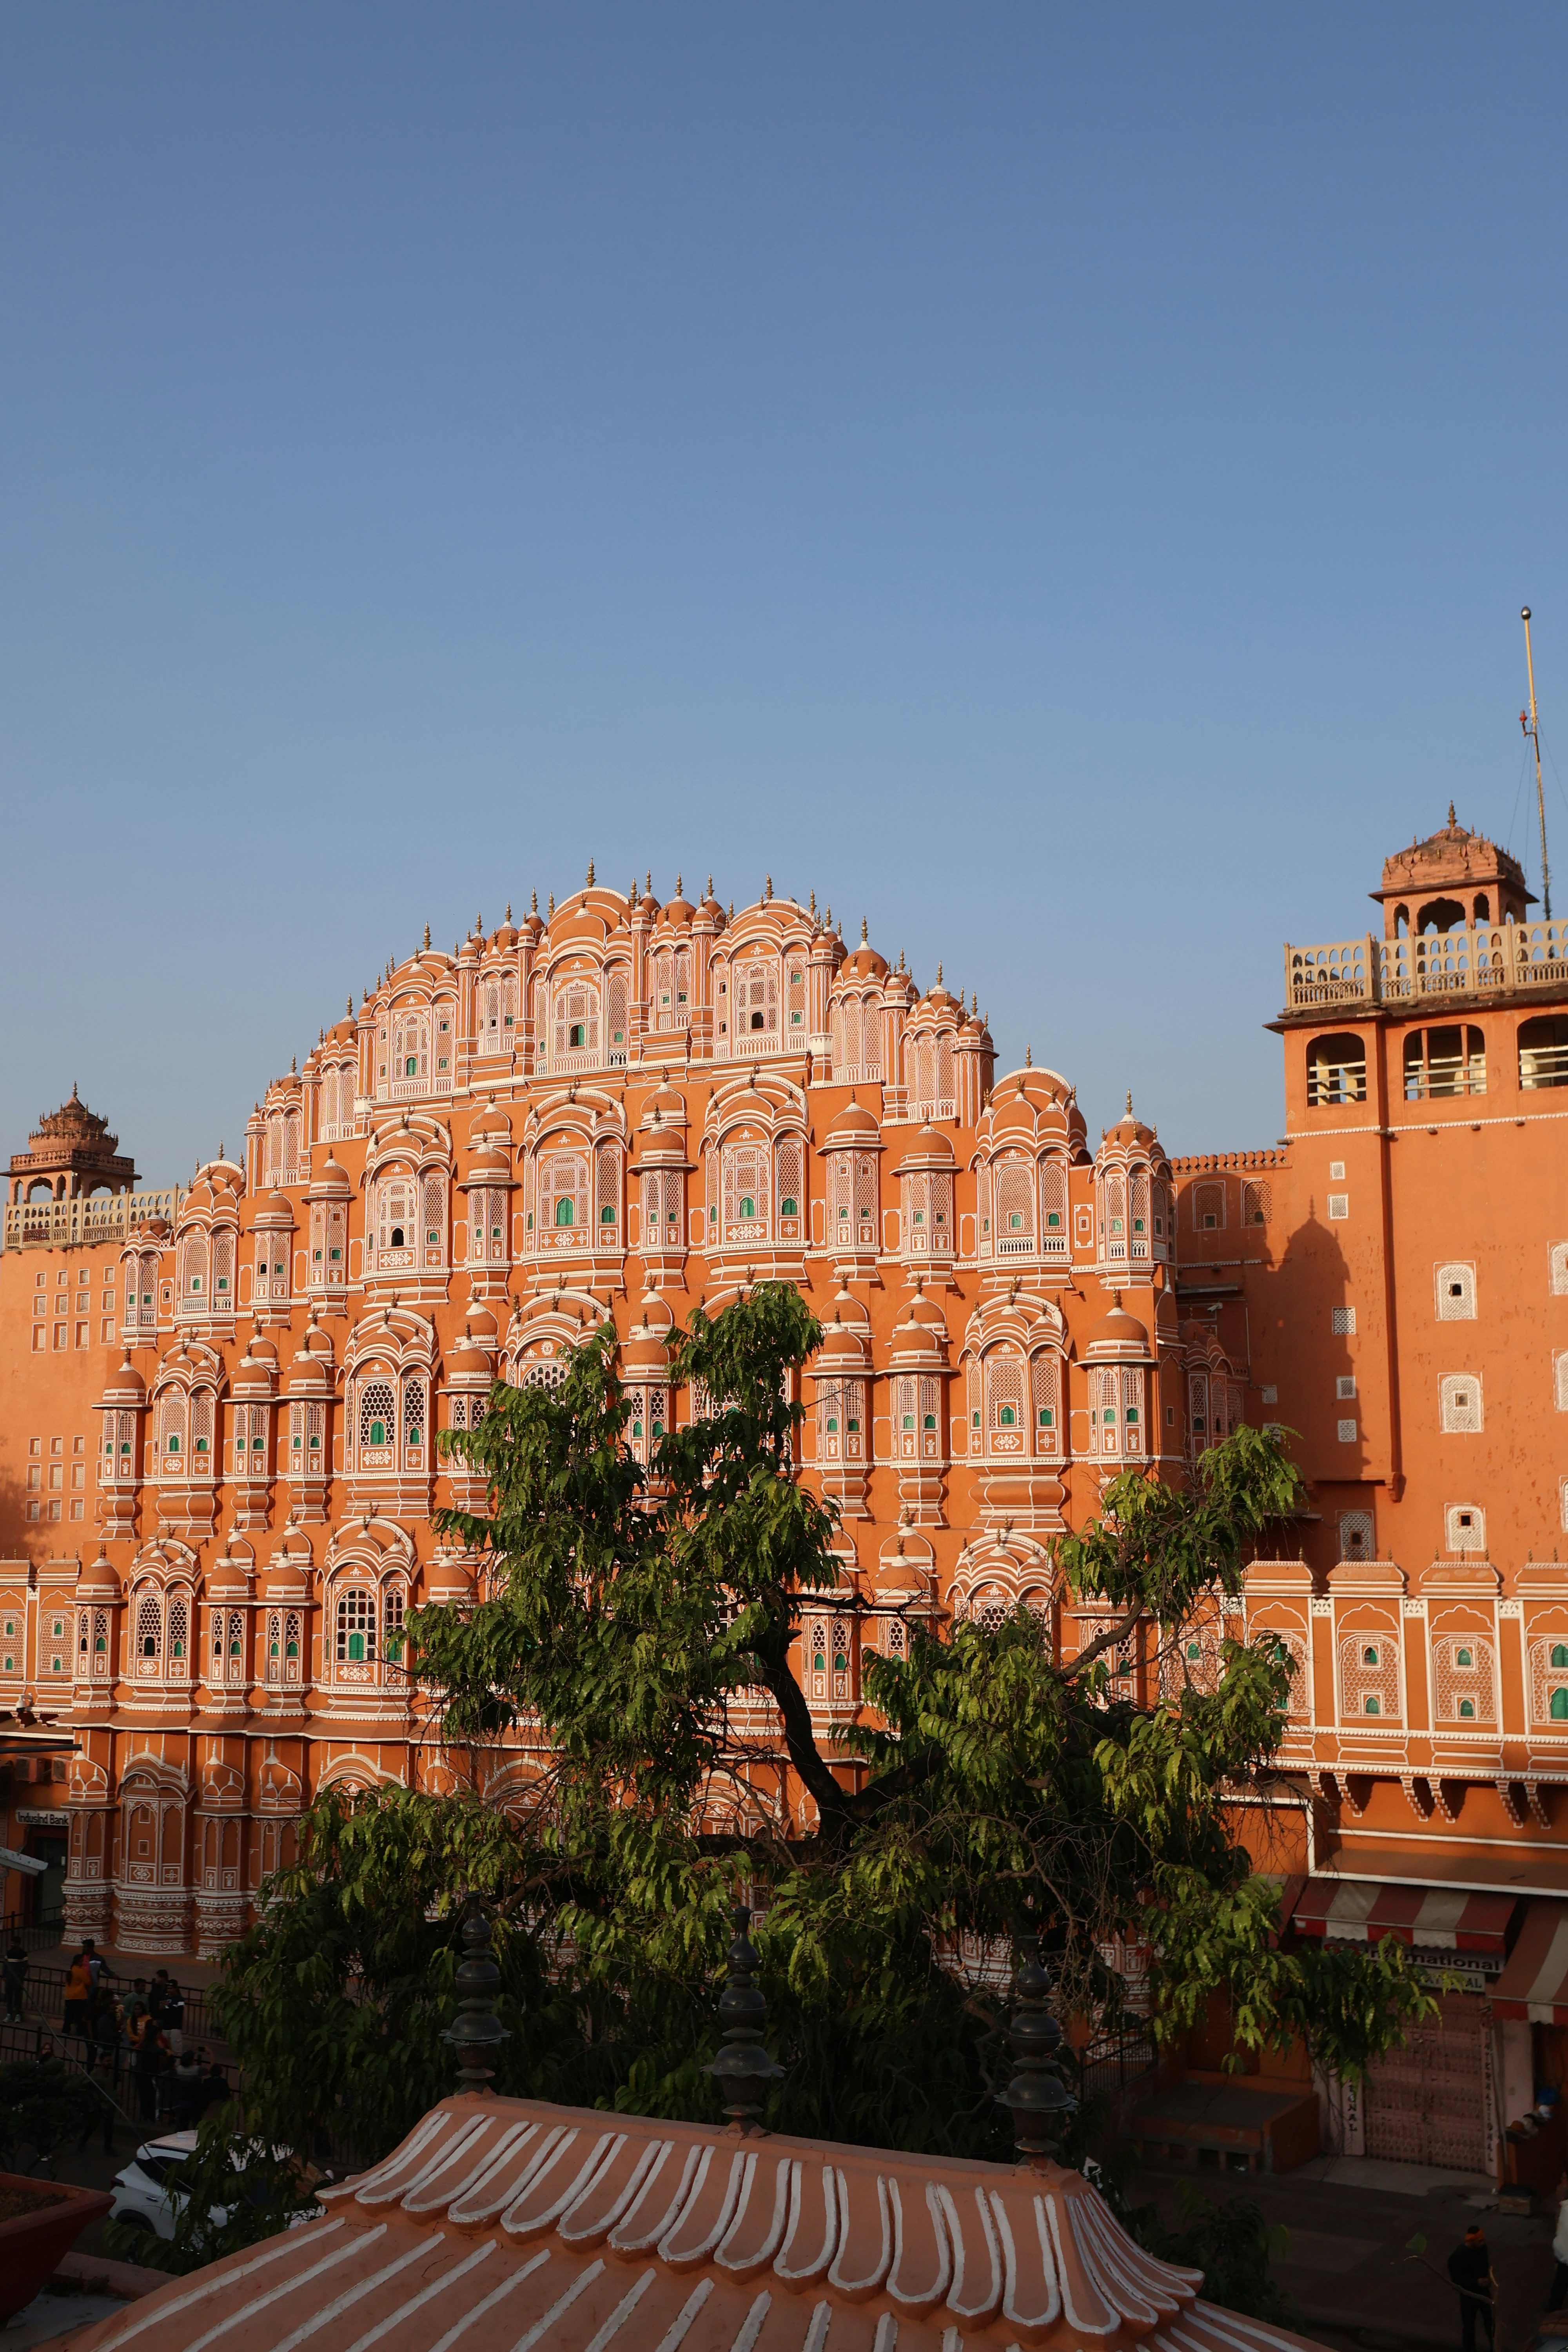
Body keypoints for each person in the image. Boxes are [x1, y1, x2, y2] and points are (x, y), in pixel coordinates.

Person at [1448, 2225, 1495, 2352]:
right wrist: (1476, 2282)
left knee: (1491, 2324)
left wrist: (1488, 2279)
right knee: (1469, 2326)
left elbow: (1486, 2266)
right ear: (1471, 2241)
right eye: (1479, 2241)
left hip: (1484, 2293)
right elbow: (1457, 2279)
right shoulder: (1459, 2256)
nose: (1483, 2243)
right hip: (1468, 2295)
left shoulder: (1482, 2249)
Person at [1546, 2173, 1568, 2312]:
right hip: (1564, 2255)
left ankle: (1555, 2305)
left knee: (1561, 2280)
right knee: (1561, 2280)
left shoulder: (1565, 2209)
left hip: (1564, 2255)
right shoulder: (1564, 2208)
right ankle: (1555, 2304)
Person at [61, 1950, 90, 2045]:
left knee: (69, 2015)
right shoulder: (80, 1971)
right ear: (78, 1962)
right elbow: (88, 1982)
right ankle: (79, 2031)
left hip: (69, 1997)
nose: (83, 1963)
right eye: (82, 1961)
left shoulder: (71, 1971)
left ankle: (65, 2031)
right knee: (79, 2016)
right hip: (79, 1997)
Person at [3, 1935, 27, 2022]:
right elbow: (5, 1965)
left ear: (18, 1944)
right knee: (9, 1997)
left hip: (17, 1980)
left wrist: (21, 1977)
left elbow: (25, 1967)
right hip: (9, 1979)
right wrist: (4, 1976)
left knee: (18, 1998)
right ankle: (9, 2014)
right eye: (11, 1943)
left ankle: (18, 2014)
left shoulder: (22, 1954)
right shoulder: (9, 1953)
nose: (11, 1945)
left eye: (13, 1943)